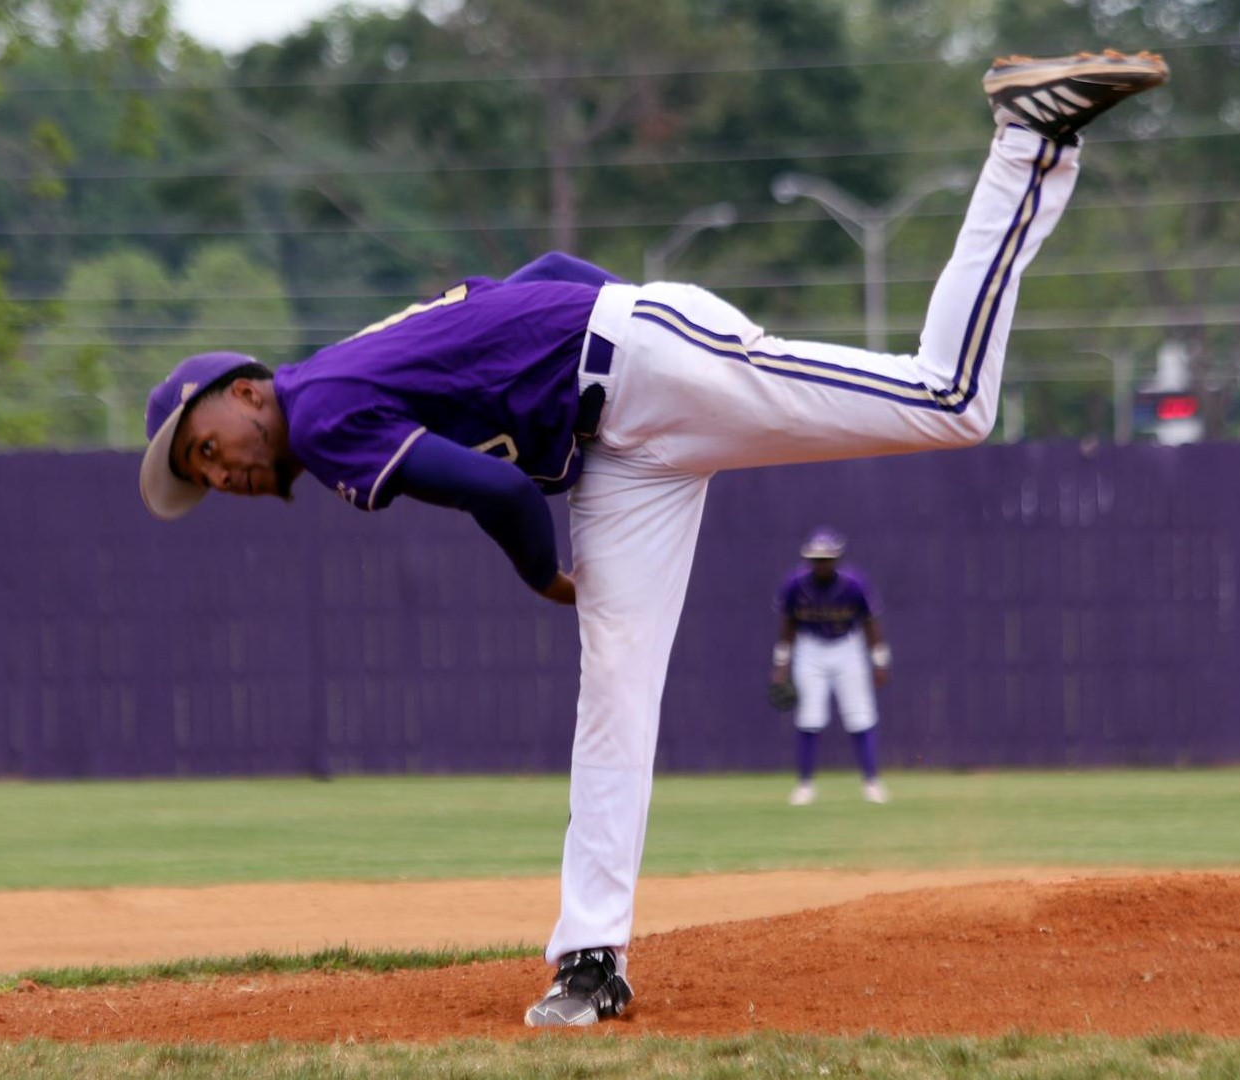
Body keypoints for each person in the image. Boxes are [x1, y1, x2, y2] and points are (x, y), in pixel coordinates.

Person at [136, 49, 1168, 1027]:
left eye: (204, 446)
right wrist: (601, 338)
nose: (218, 473)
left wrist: (544, 568)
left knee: (950, 402)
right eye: (202, 476)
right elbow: (547, 269)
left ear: (243, 391)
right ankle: (589, 961)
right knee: (615, 685)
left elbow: (498, 488)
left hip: (643, 371)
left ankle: (1026, 143)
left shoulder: (317, 417)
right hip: (613, 446)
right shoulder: (343, 372)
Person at [771, 527, 891, 806]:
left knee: (860, 715)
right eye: (816, 559)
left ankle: (871, 782)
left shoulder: (853, 584)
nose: (821, 564)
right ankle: (805, 785)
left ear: (837, 559)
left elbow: (870, 623)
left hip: (847, 647)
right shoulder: (795, 584)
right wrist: (781, 663)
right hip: (810, 648)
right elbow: (788, 625)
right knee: (809, 718)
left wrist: (880, 661)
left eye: (826, 559)